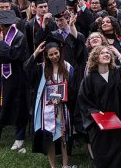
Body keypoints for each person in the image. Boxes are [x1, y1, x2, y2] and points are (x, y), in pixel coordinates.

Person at [78, 44, 121, 168]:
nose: (106, 54)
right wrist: (96, 113)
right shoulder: (89, 78)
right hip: (101, 121)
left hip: (120, 117)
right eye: (102, 53)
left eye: (108, 53)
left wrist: (119, 55)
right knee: (106, 153)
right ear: (95, 58)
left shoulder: (117, 71)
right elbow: (84, 100)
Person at [0, 9, 30, 153]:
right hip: (0, 78)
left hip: (16, 79)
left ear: (3, 26)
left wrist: (0, 42)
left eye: (0, 25)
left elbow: (13, 56)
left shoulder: (19, 36)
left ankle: (19, 138)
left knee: (18, 108)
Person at [25, 35, 75, 168]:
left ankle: (65, 165)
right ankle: (53, 166)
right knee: (49, 138)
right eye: (50, 55)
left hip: (63, 107)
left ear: (60, 52)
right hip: (46, 109)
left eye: (56, 53)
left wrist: (65, 98)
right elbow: (25, 69)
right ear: (46, 56)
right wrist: (35, 53)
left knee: (64, 137)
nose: (54, 56)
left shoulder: (68, 67)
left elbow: (73, 88)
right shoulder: (41, 68)